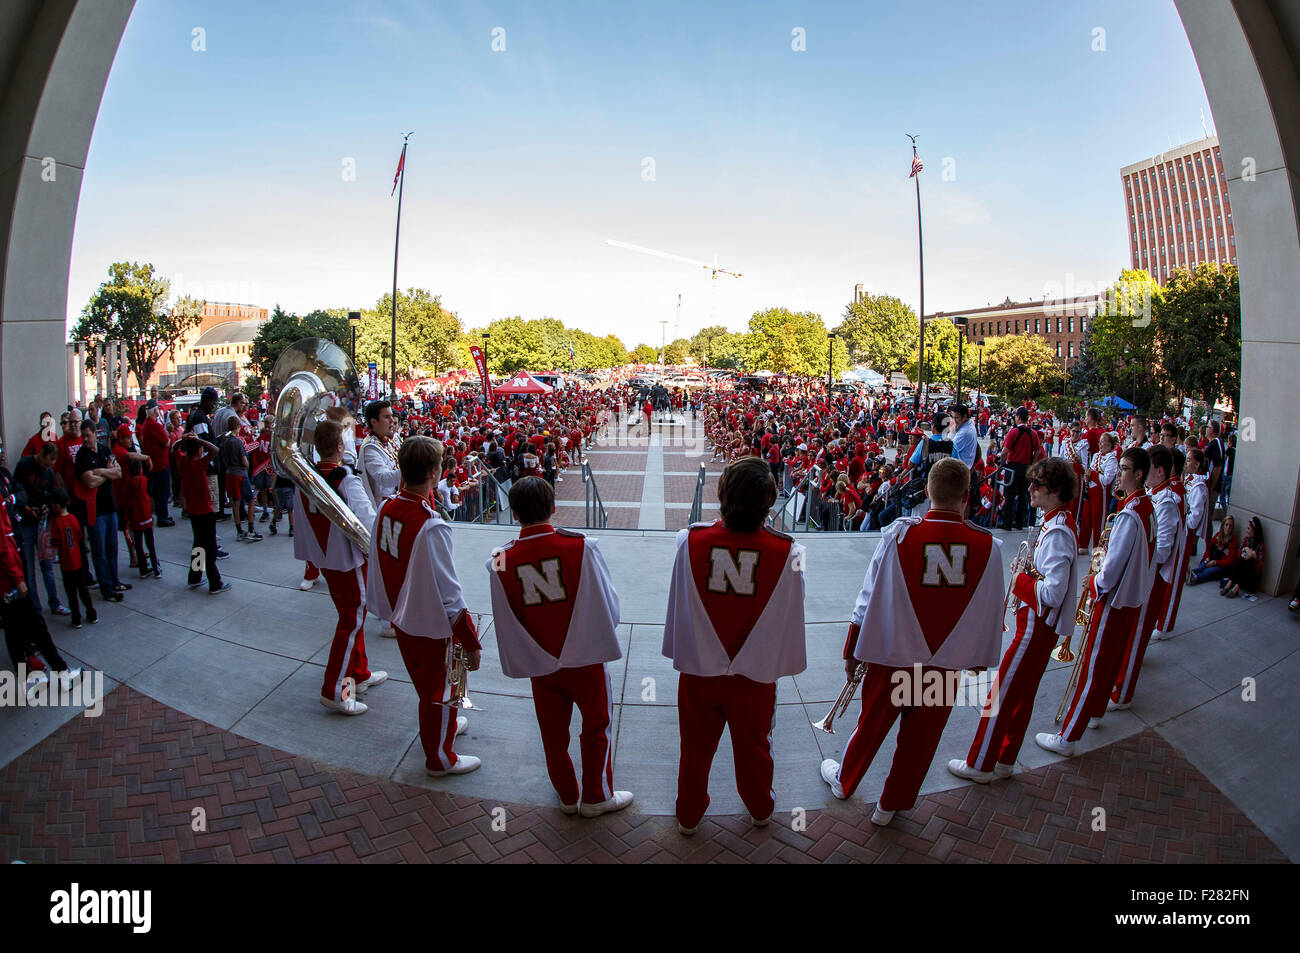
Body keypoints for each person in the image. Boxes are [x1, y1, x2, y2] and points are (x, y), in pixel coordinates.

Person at [823, 458, 1004, 825]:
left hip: (894, 657)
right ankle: (892, 805)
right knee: (921, 741)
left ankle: (846, 781)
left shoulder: (899, 534)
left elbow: (866, 599)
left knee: (870, 725)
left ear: (926, 492)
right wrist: (979, 657)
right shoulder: (990, 546)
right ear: (967, 496)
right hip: (945, 663)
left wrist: (851, 649)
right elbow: (991, 607)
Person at [662, 456, 806, 834]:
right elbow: (789, 619)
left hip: (699, 672)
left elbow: (680, 604)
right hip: (754, 676)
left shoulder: (689, 539)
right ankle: (760, 806)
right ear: (768, 502)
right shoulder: (788, 552)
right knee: (755, 745)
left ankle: (689, 814)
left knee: (694, 747)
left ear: (723, 494)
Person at [486, 476, 631, 816]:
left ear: (515, 513)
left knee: (552, 731)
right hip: (585, 657)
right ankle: (596, 795)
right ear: (553, 508)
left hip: (539, 661)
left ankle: (567, 794)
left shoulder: (500, 559)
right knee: (597, 724)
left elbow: (506, 616)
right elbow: (609, 605)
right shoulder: (581, 546)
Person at [949, 457, 1078, 782]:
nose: (1031, 489)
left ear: (1057, 491)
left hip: (1035, 626)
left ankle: (981, 763)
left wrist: (1021, 577)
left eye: (1039, 485)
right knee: (1021, 695)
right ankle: (1005, 758)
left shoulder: (1058, 532)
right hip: (1037, 626)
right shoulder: (1056, 523)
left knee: (1002, 694)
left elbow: (1051, 593)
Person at [366, 436, 483, 776]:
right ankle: (440, 758)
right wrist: (471, 642)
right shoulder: (431, 525)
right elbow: (450, 595)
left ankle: (441, 727)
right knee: (439, 688)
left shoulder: (386, 507)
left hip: (400, 614)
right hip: (424, 620)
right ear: (434, 473)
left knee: (426, 684)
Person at [1037, 447, 1155, 755]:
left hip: (1114, 600)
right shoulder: (1145, 505)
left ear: (1138, 474)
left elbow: (1113, 565)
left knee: (1092, 666)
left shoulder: (1130, 513)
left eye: (1125, 468)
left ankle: (1067, 737)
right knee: (1108, 662)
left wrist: (1094, 582)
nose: (1120, 472)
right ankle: (1096, 712)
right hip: (1130, 598)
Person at [294, 418, 384, 715]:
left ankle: (359, 673)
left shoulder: (306, 476)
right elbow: (369, 520)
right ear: (340, 445)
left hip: (326, 557)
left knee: (351, 615)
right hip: (347, 558)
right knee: (352, 620)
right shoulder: (345, 477)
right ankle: (335, 689)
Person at [1110, 446, 1182, 707]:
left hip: (1148, 579)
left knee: (1136, 636)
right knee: (1130, 636)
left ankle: (1122, 693)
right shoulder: (1153, 498)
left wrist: (1129, 556)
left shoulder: (1166, 503)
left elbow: (1161, 550)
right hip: (1143, 576)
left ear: (1156, 471)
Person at [12, 443, 69, 616]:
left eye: (49, 466)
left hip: (42, 522)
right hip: (26, 523)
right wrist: (28, 509)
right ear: (41, 454)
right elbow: (16, 494)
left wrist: (47, 508)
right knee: (29, 568)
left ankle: (55, 602)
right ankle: (35, 608)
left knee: (48, 565)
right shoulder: (24, 465)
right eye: (45, 464)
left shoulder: (49, 473)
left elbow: (51, 494)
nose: (46, 468)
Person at [74, 420, 128, 603]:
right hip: (94, 512)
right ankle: (106, 588)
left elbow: (119, 472)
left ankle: (114, 581)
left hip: (110, 508)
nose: (85, 439)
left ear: (95, 434)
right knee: (100, 551)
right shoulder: (81, 456)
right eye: (83, 436)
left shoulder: (105, 450)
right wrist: (107, 472)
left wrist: (99, 471)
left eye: (88, 435)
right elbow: (88, 482)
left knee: (112, 548)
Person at [176, 432, 231, 595]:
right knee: (210, 548)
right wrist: (198, 440)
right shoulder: (197, 464)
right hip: (205, 511)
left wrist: (184, 440)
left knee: (198, 545)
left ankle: (195, 577)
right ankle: (215, 583)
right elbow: (215, 450)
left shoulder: (183, 462)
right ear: (199, 450)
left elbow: (174, 449)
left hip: (193, 511)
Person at [46, 489, 96, 628]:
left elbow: (55, 543)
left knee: (71, 594)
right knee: (83, 591)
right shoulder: (74, 519)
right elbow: (80, 537)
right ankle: (91, 614)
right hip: (78, 561)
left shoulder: (56, 522)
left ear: (56, 505)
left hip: (67, 564)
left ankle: (76, 618)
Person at [220, 416, 262, 542]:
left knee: (235, 502)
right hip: (240, 473)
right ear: (238, 426)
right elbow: (244, 460)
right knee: (250, 500)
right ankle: (251, 529)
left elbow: (223, 459)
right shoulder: (238, 441)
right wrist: (247, 466)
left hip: (230, 473)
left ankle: (239, 530)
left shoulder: (225, 441)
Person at [1001, 407, 1043, 531]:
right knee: (1023, 496)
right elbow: (1038, 451)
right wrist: (1032, 463)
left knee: (1009, 495)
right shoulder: (1033, 433)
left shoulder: (1013, 432)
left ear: (1018, 417)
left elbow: (1004, 451)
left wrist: (1002, 464)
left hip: (1013, 466)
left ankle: (1007, 523)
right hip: (1026, 467)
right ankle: (1020, 523)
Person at [139, 401, 174, 526]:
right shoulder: (154, 425)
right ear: (155, 411)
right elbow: (166, 442)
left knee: (159, 491)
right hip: (160, 463)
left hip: (154, 462)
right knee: (162, 492)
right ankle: (162, 517)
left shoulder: (146, 424)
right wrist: (168, 437)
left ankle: (162, 515)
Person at [1221, 517, 1266, 598]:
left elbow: (1259, 568)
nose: (1247, 531)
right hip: (1240, 573)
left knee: (1249, 560)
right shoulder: (1246, 540)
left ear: (1254, 531)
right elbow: (1238, 557)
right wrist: (1245, 550)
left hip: (1251, 578)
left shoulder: (1260, 546)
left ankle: (1236, 588)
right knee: (1242, 557)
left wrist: (1253, 554)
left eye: (1249, 528)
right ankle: (1229, 584)